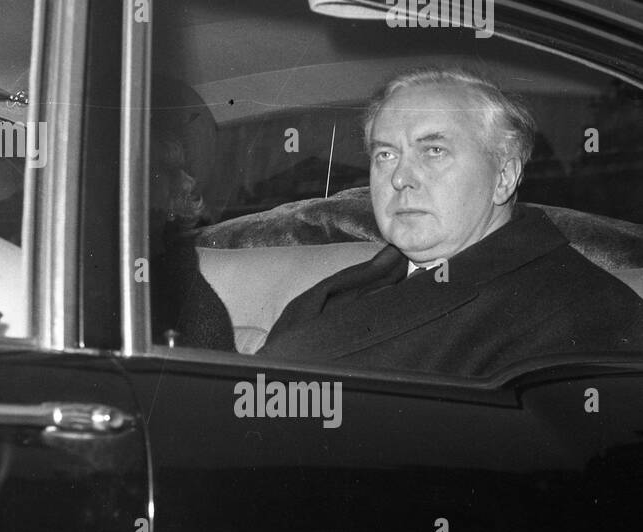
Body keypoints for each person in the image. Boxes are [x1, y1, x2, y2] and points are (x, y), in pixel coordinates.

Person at [257, 67, 643, 376]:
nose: (400, 177)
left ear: (504, 177)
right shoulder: (359, 281)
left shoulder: (584, 313)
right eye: (386, 155)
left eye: (434, 151)